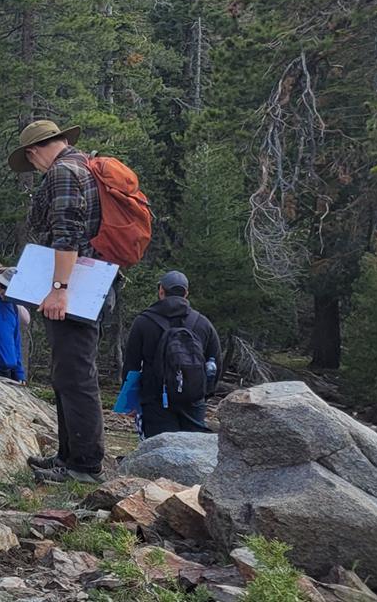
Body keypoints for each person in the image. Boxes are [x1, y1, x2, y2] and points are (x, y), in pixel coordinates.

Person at [12, 119, 108, 483]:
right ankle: (69, 455)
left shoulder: (63, 173)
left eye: (31, 159)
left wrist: (59, 288)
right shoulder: (83, 166)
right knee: (67, 371)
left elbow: (67, 234)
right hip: (88, 283)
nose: (33, 167)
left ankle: (85, 465)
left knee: (77, 373)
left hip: (75, 289)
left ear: (34, 152)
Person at [121, 271, 222, 437]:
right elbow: (215, 363)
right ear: (186, 293)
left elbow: (131, 365)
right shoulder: (203, 323)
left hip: (155, 400)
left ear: (161, 290)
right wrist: (203, 394)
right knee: (193, 453)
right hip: (193, 401)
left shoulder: (144, 321)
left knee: (158, 453)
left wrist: (131, 400)